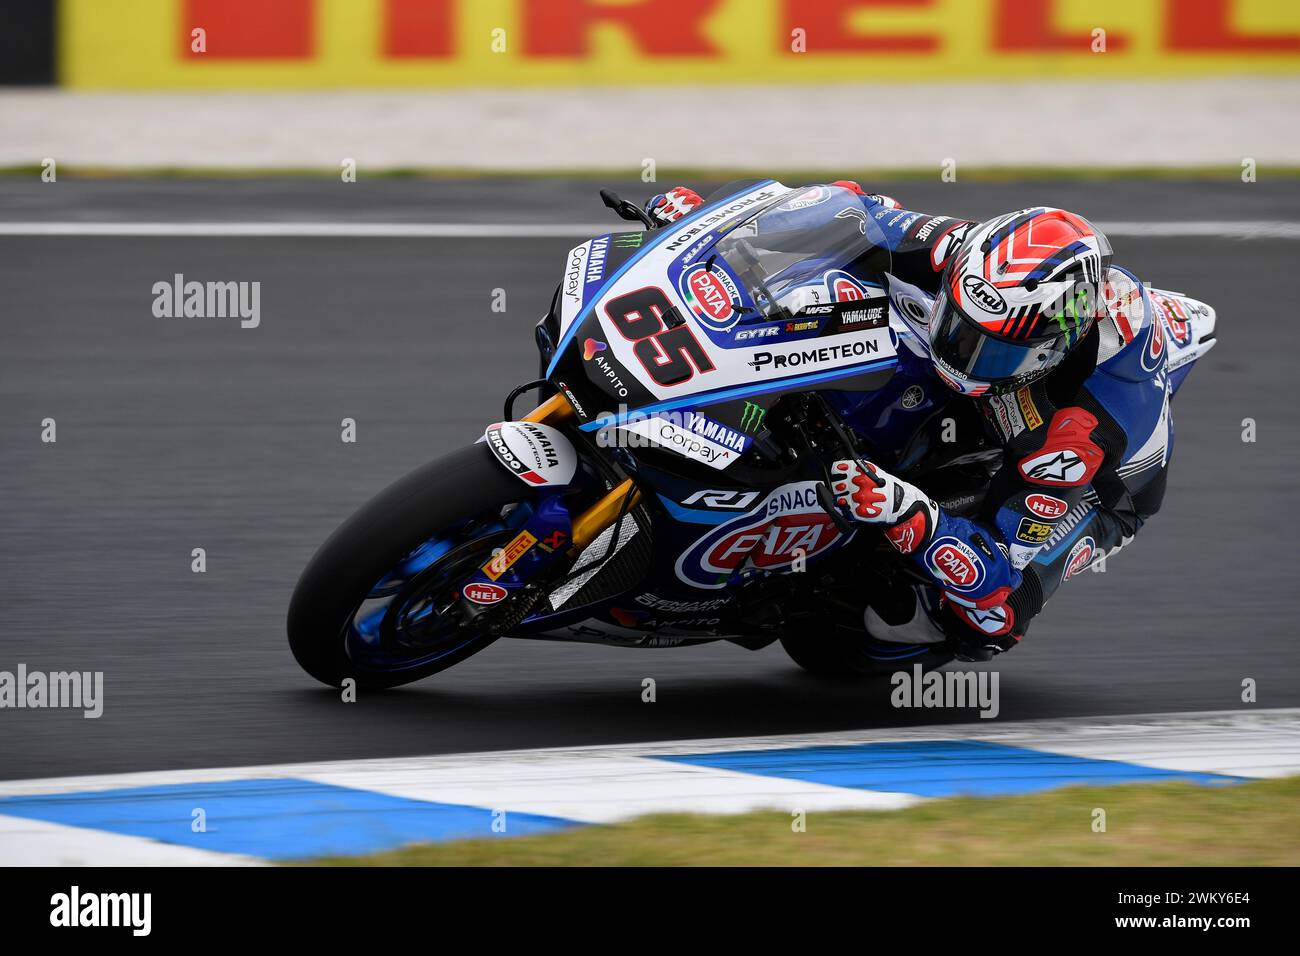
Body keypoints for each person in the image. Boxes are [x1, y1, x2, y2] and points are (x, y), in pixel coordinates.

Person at [645, 183, 1173, 660]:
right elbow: (855, 214)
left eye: (992, 350)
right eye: (961, 328)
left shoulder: (1071, 438)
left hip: (1100, 488)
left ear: (1050, 346)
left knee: (994, 617)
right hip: (1011, 388)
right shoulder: (968, 256)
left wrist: (909, 513)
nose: (964, 355)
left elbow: (998, 573)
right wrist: (712, 232)